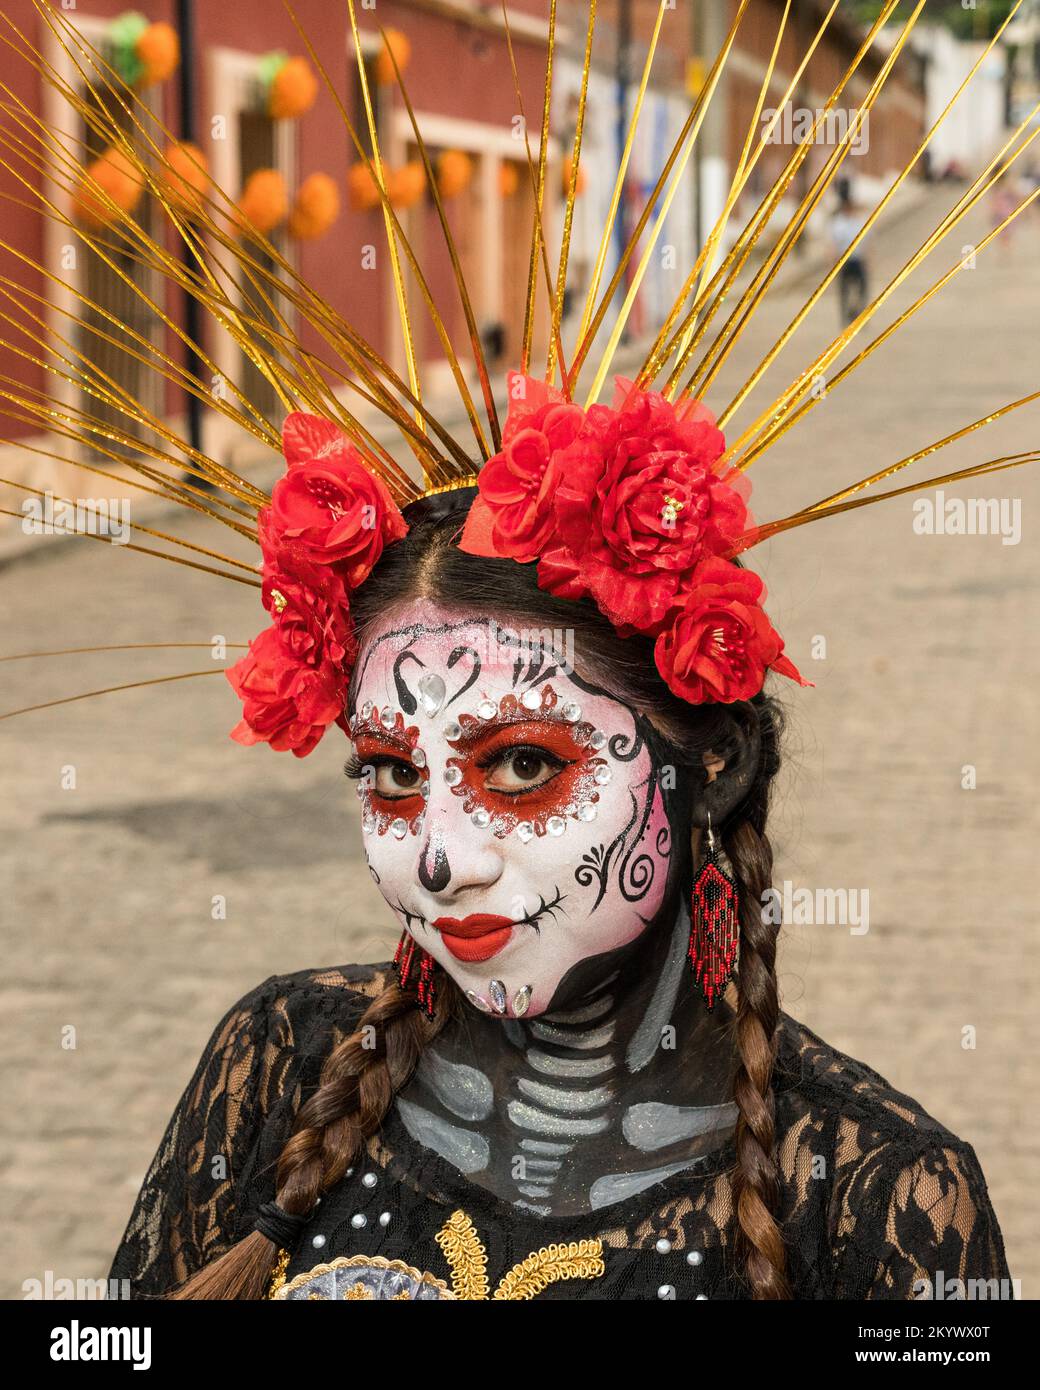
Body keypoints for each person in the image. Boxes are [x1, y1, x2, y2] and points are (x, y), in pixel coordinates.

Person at [107, 459, 1009, 1301]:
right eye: (391, 774)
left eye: (526, 767)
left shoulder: (880, 1196)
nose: (441, 858)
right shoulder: (279, 1063)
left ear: (712, 769)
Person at [829, 193, 870, 326]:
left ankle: (860, 314)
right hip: (844, 260)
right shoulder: (838, 223)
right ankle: (845, 317)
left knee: (862, 289)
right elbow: (834, 243)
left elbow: (865, 242)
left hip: (857, 259)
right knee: (844, 290)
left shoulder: (858, 221)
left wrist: (868, 259)